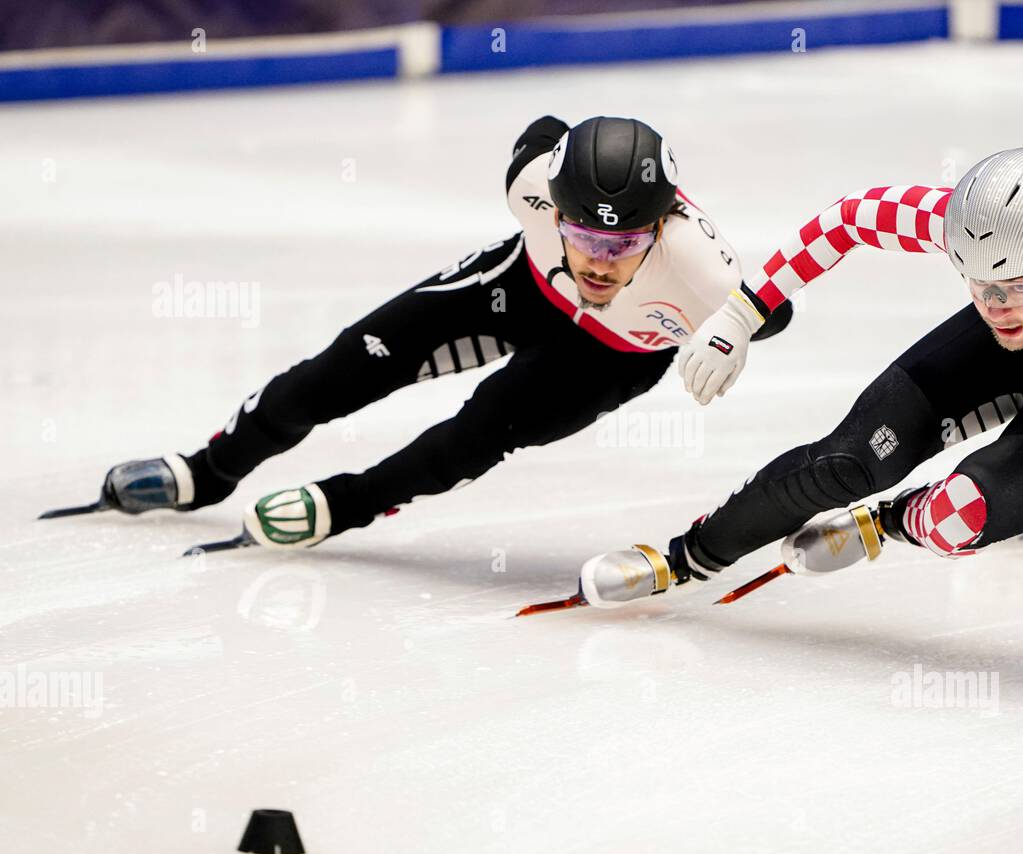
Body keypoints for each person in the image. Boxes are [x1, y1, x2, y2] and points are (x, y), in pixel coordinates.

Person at [569, 147, 1023, 704]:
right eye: (976, 285)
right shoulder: (987, 234)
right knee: (846, 461)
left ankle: (892, 523)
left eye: (1013, 288)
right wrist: (743, 313)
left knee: (956, 514)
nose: (995, 305)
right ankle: (687, 556)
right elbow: (848, 220)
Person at [64, 115, 790, 546]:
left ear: (662, 226)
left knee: (476, 436)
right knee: (341, 369)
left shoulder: (700, 264)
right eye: (584, 237)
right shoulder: (531, 185)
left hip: (607, 356)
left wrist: (734, 322)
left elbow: (776, 306)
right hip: (516, 286)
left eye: (625, 245)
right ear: (552, 209)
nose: (600, 265)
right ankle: (207, 470)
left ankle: (342, 505)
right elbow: (540, 131)